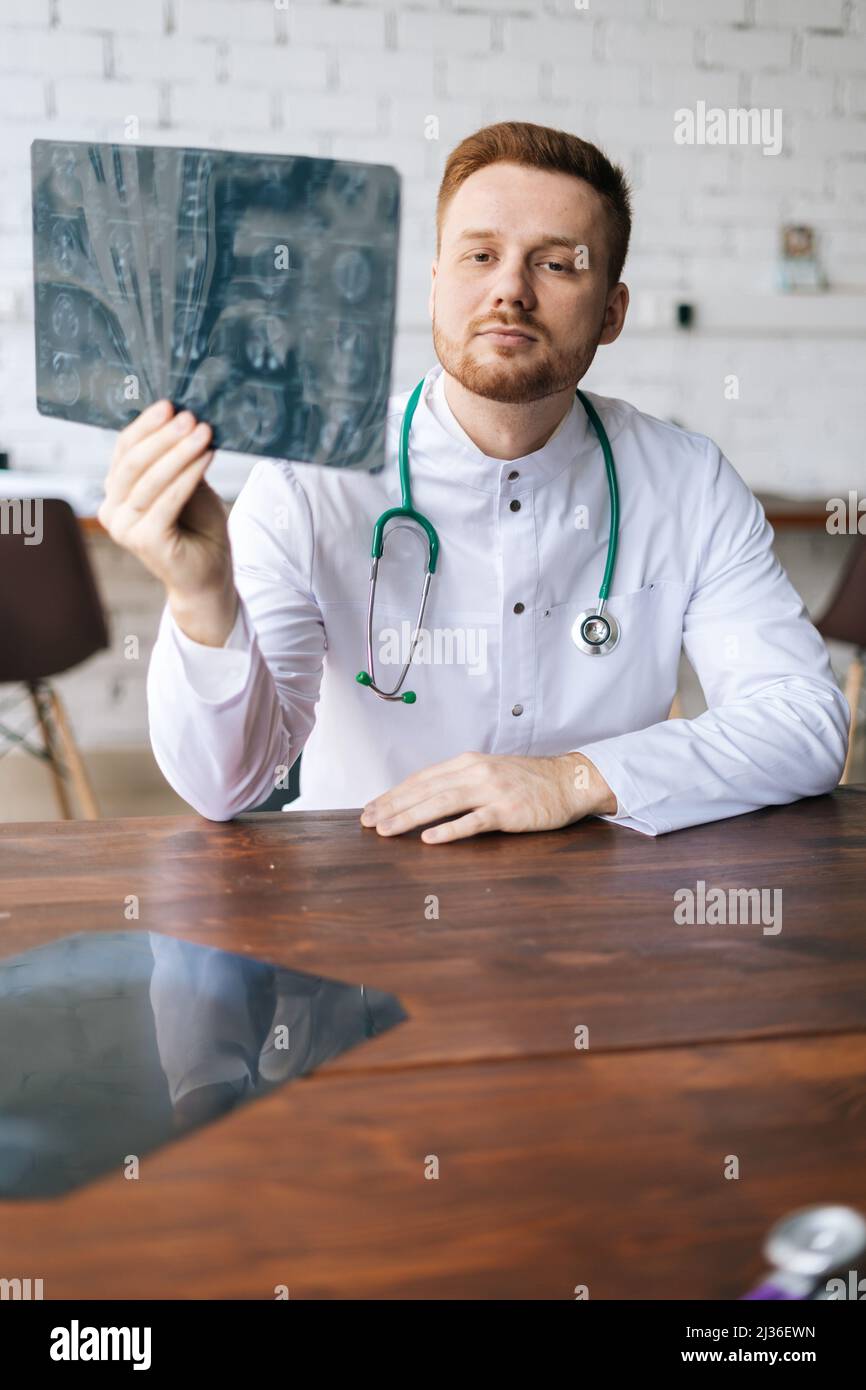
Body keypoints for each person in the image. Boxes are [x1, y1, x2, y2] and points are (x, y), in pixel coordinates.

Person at [98, 122, 848, 841]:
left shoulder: (686, 480)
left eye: (556, 263)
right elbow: (224, 785)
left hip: (605, 915)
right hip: (362, 913)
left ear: (612, 311)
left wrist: (572, 779)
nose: (511, 291)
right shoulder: (308, 485)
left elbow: (804, 722)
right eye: (480, 256)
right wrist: (200, 598)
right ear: (433, 287)